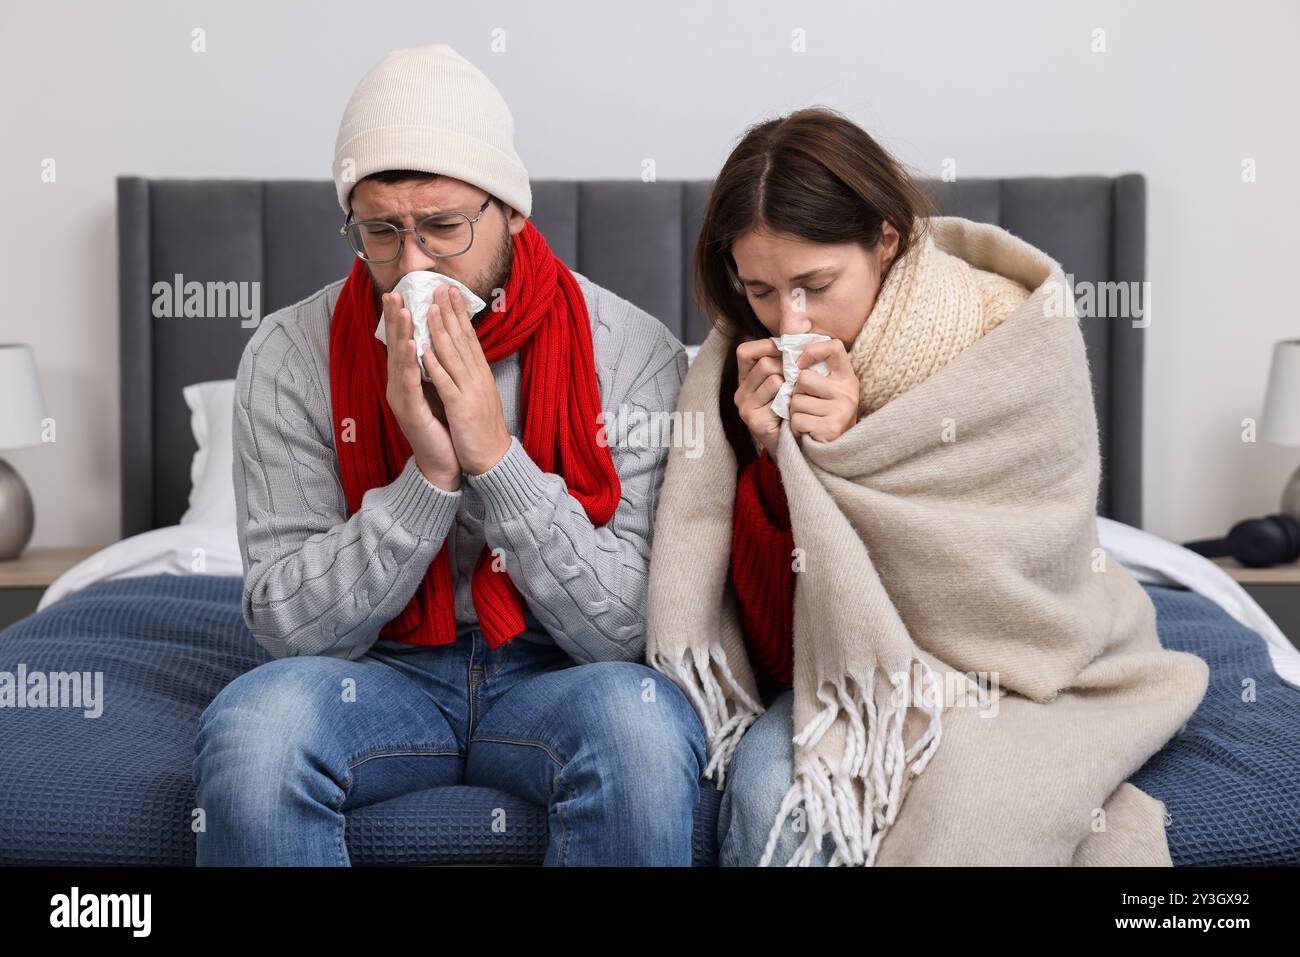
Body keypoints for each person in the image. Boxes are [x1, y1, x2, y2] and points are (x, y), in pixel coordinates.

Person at [646, 106, 1208, 866]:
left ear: (886, 238)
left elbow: (1031, 583)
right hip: (850, 671)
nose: (790, 318)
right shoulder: (735, 381)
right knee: (768, 790)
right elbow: (785, 654)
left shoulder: (1010, 341)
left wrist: (852, 452)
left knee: (956, 807)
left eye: (816, 283)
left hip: (1022, 663)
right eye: (762, 289)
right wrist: (787, 467)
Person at [193, 44, 706, 866]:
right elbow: (286, 626)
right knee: (258, 729)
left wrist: (495, 459)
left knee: (643, 723)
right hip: (379, 677)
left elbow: (629, 628)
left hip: (555, 675)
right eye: (382, 233)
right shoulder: (288, 353)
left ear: (511, 212)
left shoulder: (633, 350)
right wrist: (427, 478)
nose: (414, 264)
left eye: (443, 226)